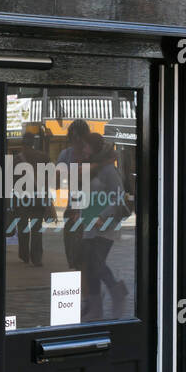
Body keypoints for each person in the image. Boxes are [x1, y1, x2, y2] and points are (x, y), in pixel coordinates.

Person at [78, 134, 130, 319]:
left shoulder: (109, 170)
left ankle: (118, 293)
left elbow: (118, 196)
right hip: (90, 226)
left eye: (86, 147)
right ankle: (95, 309)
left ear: (94, 148)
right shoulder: (94, 169)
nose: (84, 150)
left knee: (97, 264)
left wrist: (102, 216)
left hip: (104, 226)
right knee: (91, 266)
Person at [14, 130, 51, 267]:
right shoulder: (43, 157)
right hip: (38, 198)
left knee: (23, 226)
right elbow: (49, 178)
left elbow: (12, 180)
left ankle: (24, 255)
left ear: (23, 143)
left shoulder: (17, 159)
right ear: (34, 143)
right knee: (37, 229)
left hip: (22, 198)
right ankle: (36, 258)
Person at [58, 119, 91, 269]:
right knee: (73, 253)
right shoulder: (66, 154)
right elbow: (57, 179)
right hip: (73, 207)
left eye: (80, 137)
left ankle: (88, 286)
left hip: (90, 208)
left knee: (85, 254)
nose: (77, 141)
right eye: (74, 137)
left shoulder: (92, 153)